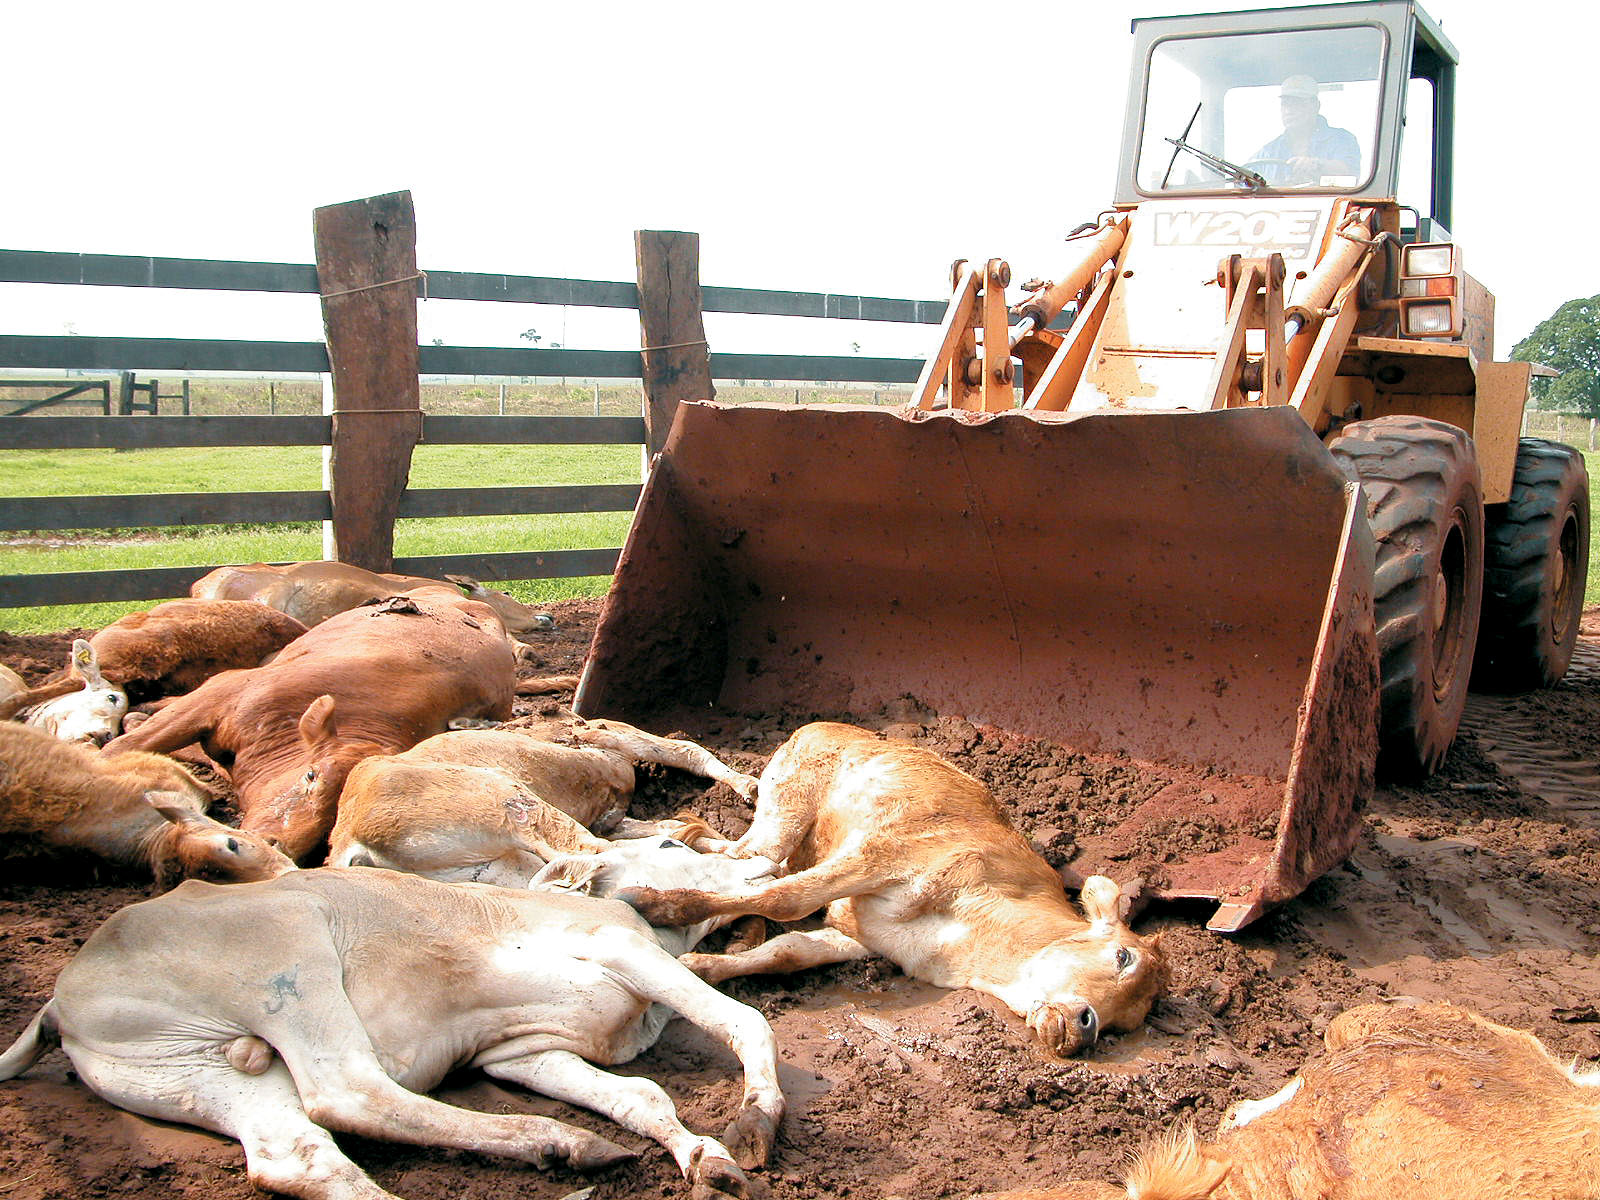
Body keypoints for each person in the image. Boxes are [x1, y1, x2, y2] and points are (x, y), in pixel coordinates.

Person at [1254, 74, 1361, 184]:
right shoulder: (1268, 151)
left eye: (1296, 103)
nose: (1288, 111)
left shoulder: (1342, 139)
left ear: (1316, 106)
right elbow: (1247, 176)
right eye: (1285, 104)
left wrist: (1316, 165)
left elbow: (1350, 173)